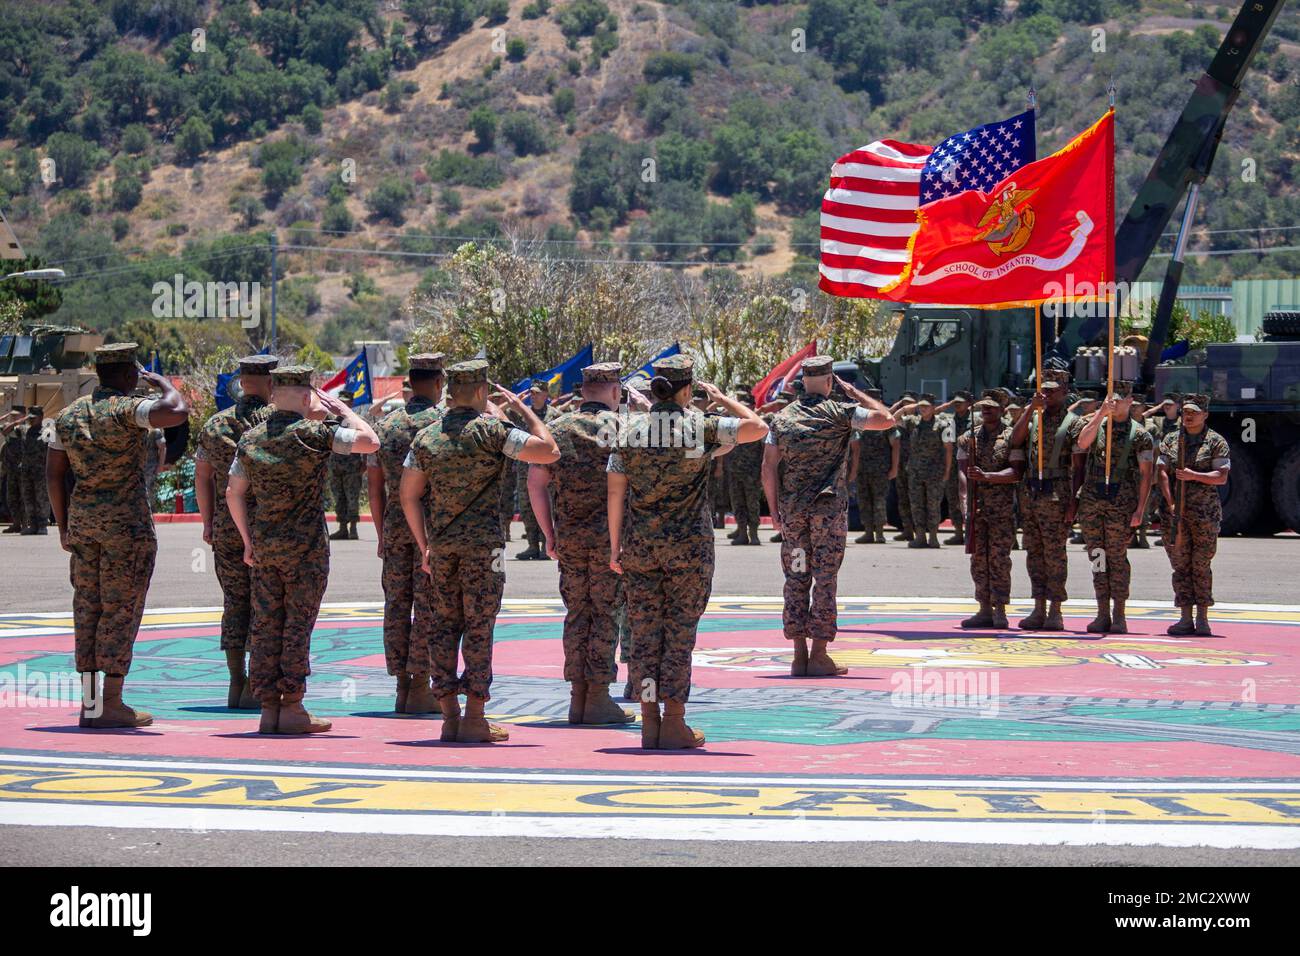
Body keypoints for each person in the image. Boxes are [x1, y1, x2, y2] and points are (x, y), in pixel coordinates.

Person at [610, 354, 766, 748]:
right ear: (685, 389)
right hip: (688, 552)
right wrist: (722, 397)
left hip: (641, 547)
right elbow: (758, 427)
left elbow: (616, 490)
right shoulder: (699, 429)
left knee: (645, 635)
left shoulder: (629, 431)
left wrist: (616, 547)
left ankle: (649, 720)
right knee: (679, 634)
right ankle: (674, 720)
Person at [400, 360, 559, 743]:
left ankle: (448, 715)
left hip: (441, 547)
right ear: (483, 391)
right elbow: (548, 451)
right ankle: (474, 715)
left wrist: (424, 546)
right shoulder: (492, 431)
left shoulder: (426, 438)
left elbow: (408, 496)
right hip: (484, 548)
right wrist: (524, 412)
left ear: (449, 392)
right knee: (478, 626)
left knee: (442, 626)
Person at [226, 366, 379, 734]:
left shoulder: (250, 439)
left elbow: (234, 493)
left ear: (274, 391)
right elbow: (370, 441)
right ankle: (292, 706)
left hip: (265, 547)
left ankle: (267, 708)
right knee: (297, 625)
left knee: (265, 624)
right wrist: (342, 409)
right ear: (310, 395)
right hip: (306, 550)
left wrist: (248, 541)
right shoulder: (316, 434)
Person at [47, 343, 190, 728]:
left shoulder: (68, 415)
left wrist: (64, 527)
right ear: (129, 375)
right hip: (125, 528)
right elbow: (176, 411)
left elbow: (54, 473)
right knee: (120, 611)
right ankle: (110, 702)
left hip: (84, 526)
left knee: (88, 610)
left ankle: (91, 704)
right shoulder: (128, 409)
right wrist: (162, 382)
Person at [763, 356, 895, 677]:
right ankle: (819, 654)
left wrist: (774, 512)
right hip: (827, 515)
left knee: (796, 578)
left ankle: (798, 655)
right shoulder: (842, 412)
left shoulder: (781, 419)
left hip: (794, 515)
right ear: (829, 381)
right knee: (825, 578)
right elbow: (887, 419)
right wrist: (855, 393)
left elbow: (768, 467)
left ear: (804, 381)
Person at [529, 361, 636, 725]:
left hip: (571, 539)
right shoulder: (628, 429)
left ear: (582, 391)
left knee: (577, 614)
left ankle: (578, 697)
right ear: (616, 392)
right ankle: (599, 697)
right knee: (606, 614)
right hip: (613, 542)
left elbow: (535, 483)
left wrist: (548, 533)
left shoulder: (555, 430)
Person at [195, 353, 278, 710]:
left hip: (228, 527)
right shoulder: (279, 423)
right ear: (272, 382)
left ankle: (236, 681)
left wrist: (209, 521)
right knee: (267, 605)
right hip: (271, 528)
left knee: (235, 602)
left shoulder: (215, 425)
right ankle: (258, 687)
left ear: (241, 381)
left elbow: (201, 477)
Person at [368, 353, 446, 714]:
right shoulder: (444, 424)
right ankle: (419, 686)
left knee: (397, 604)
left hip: (397, 528)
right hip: (433, 531)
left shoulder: (384, 428)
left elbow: (375, 486)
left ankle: (401, 684)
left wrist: (382, 531)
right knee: (429, 605)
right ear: (439, 384)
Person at [1071, 384, 1154, 634]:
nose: (1116, 403)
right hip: (1093, 503)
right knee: (1098, 557)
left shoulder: (1140, 435)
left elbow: (1146, 475)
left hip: (1121, 504)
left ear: (1130, 400)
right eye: (1112, 399)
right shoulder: (1098, 427)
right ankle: (1101, 612)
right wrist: (1100, 414)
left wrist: (1140, 510)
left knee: (1117, 559)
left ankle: (1119, 614)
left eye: (1120, 399)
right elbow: (1082, 442)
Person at [1157, 393, 1230, 636]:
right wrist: (1170, 503)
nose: (1188, 416)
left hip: (1204, 514)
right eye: (1185, 412)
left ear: (1205, 415)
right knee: (1180, 565)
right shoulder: (1171, 439)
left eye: (1194, 412)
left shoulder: (1215, 441)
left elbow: (1221, 477)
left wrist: (1194, 476)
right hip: (1176, 515)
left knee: (1201, 564)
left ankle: (1203, 618)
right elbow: (1162, 472)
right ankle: (1185, 617)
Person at [1011, 369, 1076, 631]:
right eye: (1044, 389)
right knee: (1033, 553)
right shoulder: (1033, 418)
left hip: (1057, 493)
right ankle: (1038, 606)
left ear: (1065, 393)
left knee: (1054, 555)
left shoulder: (1073, 422)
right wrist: (1029, 409)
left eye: (1052, 390)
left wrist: (1074, 501)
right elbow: (1014, 440)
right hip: (1032, 494)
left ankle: (1055, 610)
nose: (1047, 394)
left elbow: (1079, 464)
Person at [957, 398, 1025, 629]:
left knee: (999, 560)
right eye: (983, 407)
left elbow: (1016, 472)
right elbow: (963, 472)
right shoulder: (969, 437)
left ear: (1002, 410)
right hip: (977, 508)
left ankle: (1000, 610)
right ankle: (984, 608)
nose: (986, 411)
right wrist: (965, 501)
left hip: (1001, 510)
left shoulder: (1011, 437)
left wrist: (988, 476)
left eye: (991, 407)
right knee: (978, 560)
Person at [893, 393, 953, 548]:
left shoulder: (943, 424)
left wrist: (947, 472)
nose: (923, 409)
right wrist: (908, 407)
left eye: (926, 406)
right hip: (915, 472)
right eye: (921, 406)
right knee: (916, 504)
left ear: (933, 407)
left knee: (933, 505)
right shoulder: (913, 422)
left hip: (935, 472)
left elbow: (948, 450)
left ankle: (933, 537)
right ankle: (920, 536)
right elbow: (893, 419)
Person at [514, 379, 556, 560]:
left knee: (547, 505)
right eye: (532, 392)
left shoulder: (555, 416)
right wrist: (517, 400)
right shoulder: (524, 415)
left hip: (548, 470)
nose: (534, 396)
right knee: (526, 507)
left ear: (546, 394)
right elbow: (504, 413)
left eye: (538, 392)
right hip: (526, 469)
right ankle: (532, 545)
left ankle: (547, 543)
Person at [853, 388, 899, 545]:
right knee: (864, 500)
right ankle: (868, 532)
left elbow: (896, 445)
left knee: (879, 501)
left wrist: (894, 468)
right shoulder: (860, 419)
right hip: (862, 468)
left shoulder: (886, 419)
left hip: (880, 469)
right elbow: (855, 446)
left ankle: (879, 533)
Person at [726, 390, 765, 545]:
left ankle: (754, 534)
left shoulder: (759, 424)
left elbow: (765, 450)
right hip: (734, 470)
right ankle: (742, 532)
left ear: (753, 406)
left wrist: (763, 470)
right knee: (737, 501)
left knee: (752, 502)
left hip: (752, 472)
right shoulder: (733, 423)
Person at [327, 397, 366, 540]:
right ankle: (342, 528)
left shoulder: (357, 420)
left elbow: (366, 440)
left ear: (351, 403)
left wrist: (365, 461)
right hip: (335, 465)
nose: (344, 403)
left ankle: (353, 528)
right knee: (339, 497)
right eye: (342, 401)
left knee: (352, 497)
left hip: (352, 466)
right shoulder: (331, 420)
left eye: (347, 401)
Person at [888, 390, 919, 541]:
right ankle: (907, 529)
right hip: (902, 465)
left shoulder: (920, 419)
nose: (907, 405)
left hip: (918, 466)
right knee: (903, 498)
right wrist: (900, 406)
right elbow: (890, 417)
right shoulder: (901, 420)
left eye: (910, 403)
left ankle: (919, 530)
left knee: (916, 499)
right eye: (905, 402)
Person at [942, 391, 972, 544]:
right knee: (954, 498)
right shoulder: (949, 421)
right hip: (953, 465)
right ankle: (958, 532)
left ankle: (971, 533)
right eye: (955, 402)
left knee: (970, 499)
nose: (957, 405)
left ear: (968, 404)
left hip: (970, 464)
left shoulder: (975, 420)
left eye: (960, 402)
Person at [19, 405, 50, 534]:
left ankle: (43, 525)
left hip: (41, 471)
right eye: (29, 418)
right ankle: (32, 525)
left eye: (34, 418)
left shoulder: (48, 432)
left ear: (41, 417)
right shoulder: (25, 431)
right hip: (27, 471)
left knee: (41, 498)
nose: (31, 420)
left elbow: (51, 452)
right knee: (28, 497)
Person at [1, 407, 25, 533]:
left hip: (22, 469)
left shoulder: (24, 428)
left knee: (23, 496)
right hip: (11, 469)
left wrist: (18, 422)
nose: (14, 417)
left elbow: (6, 431)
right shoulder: (10, 427)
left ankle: (26, 524)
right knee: (11, 497)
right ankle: (16, 523)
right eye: (13, 415)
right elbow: (5, 431)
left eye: (17, 415)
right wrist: (6, 416)